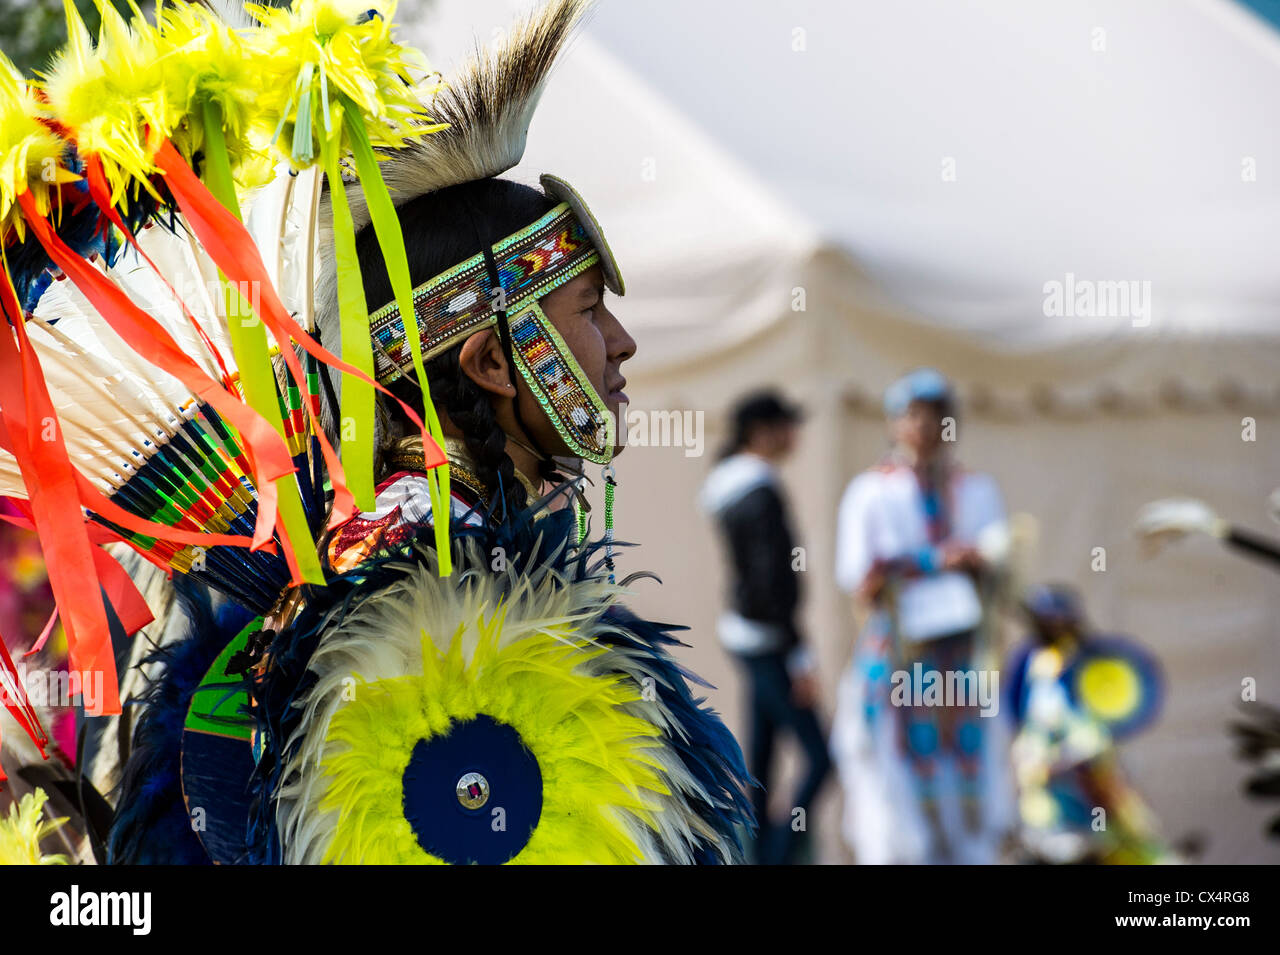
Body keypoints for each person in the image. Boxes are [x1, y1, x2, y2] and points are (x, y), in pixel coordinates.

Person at [0, 0, 752, 865]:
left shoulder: (407, 555)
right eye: (588, 311)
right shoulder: (430, 593)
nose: (620, 344)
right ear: (490, 365)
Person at [832, 368, 1013, 864]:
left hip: (962, 663)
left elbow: (1002, 565)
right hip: (899, 660)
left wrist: (978, 563)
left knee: (971, 777)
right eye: (914, 415)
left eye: (937, 416)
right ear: (894, 424)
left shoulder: (976, 491)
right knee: (893, 778)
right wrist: (931, 562)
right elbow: (856, 576)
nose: (927, 426)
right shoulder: (871, 492)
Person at [699, 390, 831, 864]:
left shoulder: (739, 489)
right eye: (785, 426)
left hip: (751, 636)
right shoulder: (758, 492)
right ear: (762, 433)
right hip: (769, 642)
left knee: (762, 760)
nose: (794, 436)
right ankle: (774, 855)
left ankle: (756, 852)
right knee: (821, 757)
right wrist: (799, 655)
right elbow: (772, 585)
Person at [1006, 584, 1174, 864]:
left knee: (1112, 838)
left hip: (1083, 775)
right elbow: (1020, 710)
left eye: (1052, 619)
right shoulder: (1030, 660)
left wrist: (1073, 754)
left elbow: (1099, 725)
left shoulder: (1091, 662)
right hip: (1040, 781)